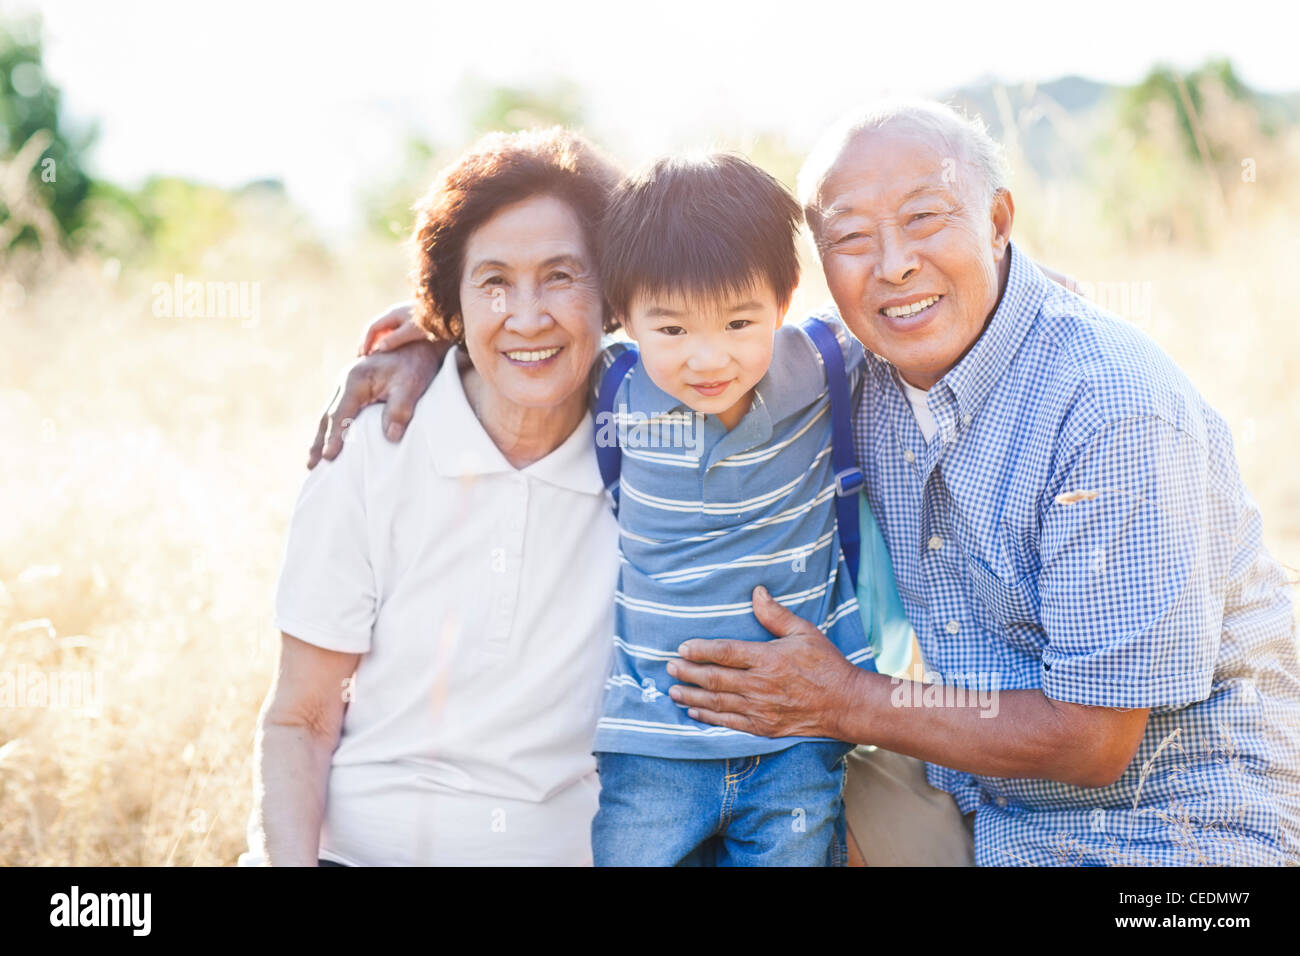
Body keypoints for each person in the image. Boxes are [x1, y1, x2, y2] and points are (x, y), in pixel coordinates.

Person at [664, 100, 1300, 866]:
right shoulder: (854, 368)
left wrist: (843, 701)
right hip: (974, 794)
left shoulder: (1114, 410)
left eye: (926, 219)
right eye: (853, 237)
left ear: (998, 221)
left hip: (1178, 829)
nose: (893, 263)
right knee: (710, 809)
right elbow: (682, 357)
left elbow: (1094, 738)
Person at [241, 127, 624, 865]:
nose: (528, 314)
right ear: (449, 301)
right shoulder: (370, 445)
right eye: (494, 282)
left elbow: (737, 327)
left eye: (560, 275)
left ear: (611, 290)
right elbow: (303, 717)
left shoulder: (653, 445)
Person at [585, 153, 909, 866]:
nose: (708, 359)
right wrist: (415, 339)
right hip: (653, 744)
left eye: (739, 322)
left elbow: (920, 311)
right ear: (625, 315)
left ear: (783, 301)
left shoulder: (819, 362)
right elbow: (505, 354)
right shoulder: (609, 384)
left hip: (794, 743)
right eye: (671, 331)